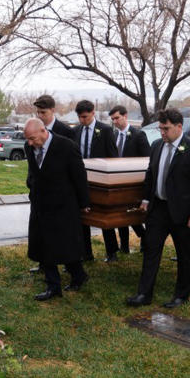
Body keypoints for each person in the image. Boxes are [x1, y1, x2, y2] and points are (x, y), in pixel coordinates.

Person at [126, 108, 190, 308]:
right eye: (160, 128)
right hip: (158, 209)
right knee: (151, 251)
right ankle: (144, 294)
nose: (163, 132)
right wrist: (146, 199)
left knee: (184, 254)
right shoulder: (156, 146)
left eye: (166, 128)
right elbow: (151, 175)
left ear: (179, 127)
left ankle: (181, 294)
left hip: (183, 212)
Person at [24, 118, 91, 301]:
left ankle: (79, 275)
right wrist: (31, 186)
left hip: (63, 204)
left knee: (65, 244)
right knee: (44, 244)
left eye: (32, 138)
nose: (30, 143)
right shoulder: (29, 146)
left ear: (43, 131)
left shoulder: (67, 147)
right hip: (40, 204)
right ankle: (53, 286)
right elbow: (33, 171)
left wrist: (84, 203)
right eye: (28, 139)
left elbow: (79, 175)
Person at [73, 100, 118, 261]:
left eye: (85, 116)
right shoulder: (76, 130)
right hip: (81, 179)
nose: (82, 120)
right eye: (79, 117)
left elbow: (113, 156)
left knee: (104, 216)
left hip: (101, 179)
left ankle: (111, 251)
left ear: (93, 112)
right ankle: (86, 252)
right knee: (82, 217)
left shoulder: (105, 130)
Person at [109, 105, 150, 254]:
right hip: (116, 181)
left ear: (125, 116)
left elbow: (147, 159)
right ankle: (124, 246)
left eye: (117, 118)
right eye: (112, 119)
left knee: (131, 213)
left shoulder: (138, 135)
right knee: (120, 214)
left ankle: (144, 236)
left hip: (133, 182)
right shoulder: (113, 136)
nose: (115, 121)